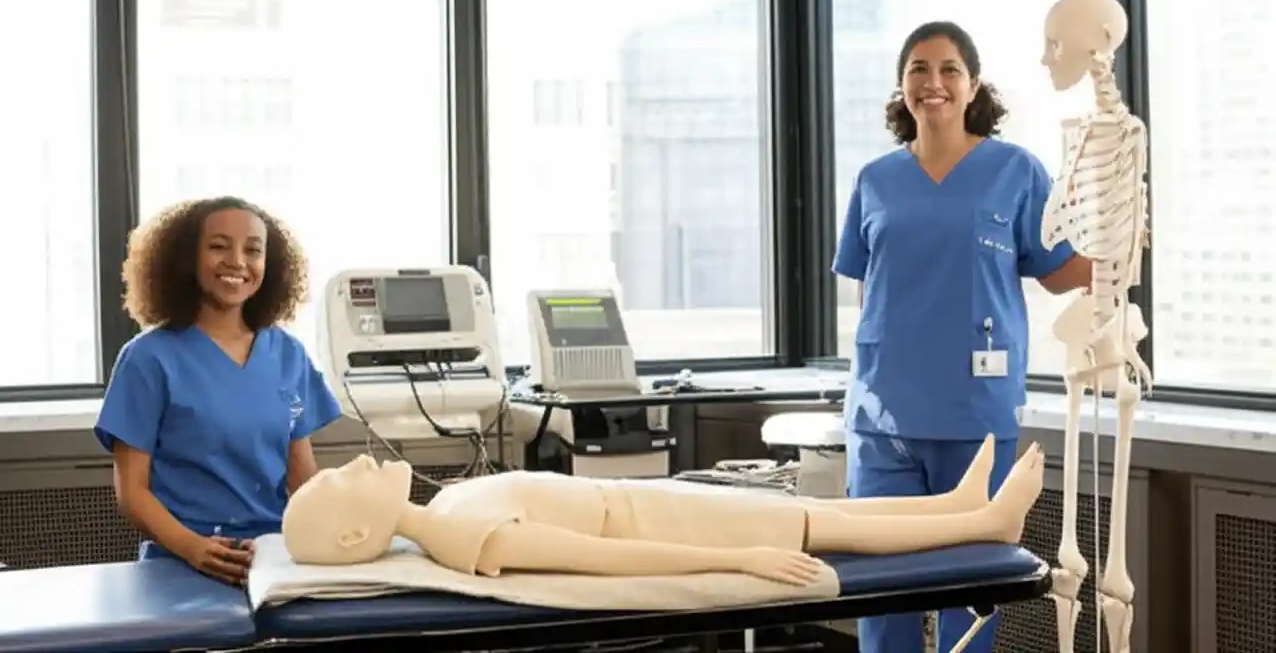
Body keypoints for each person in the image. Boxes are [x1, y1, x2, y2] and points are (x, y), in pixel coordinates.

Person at [832, 21, 1092, 652]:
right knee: (882, 592)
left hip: (975, 416)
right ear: (902, 85)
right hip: (882, 418)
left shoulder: (1015, 171)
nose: (934, 82)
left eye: (949, 69)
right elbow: (871, 292)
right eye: (919, 68)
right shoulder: (875, 180)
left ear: (973, 85)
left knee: (970, 597)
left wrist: (1120, 255)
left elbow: (1057, 270)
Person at [281, 437, 1046, 584]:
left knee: (833, 510)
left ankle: (951, 502)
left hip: (651, 502)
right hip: (661, 526)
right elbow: (603, 561)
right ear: (355, 532)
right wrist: (733, 560)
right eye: (337, 482)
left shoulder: (446, 506)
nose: (351, 464)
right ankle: (986, 525)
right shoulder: (457, 533)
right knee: (828, 526)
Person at [94, 196, 344, 586]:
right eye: (218, 246)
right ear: (186, 258)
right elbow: (133, 493)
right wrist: (195, 549)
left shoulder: (288, 354)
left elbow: (303, 480)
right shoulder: (147, 359)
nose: (237, 261)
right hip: (179, 560)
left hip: (274, 558)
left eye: (253, 250)